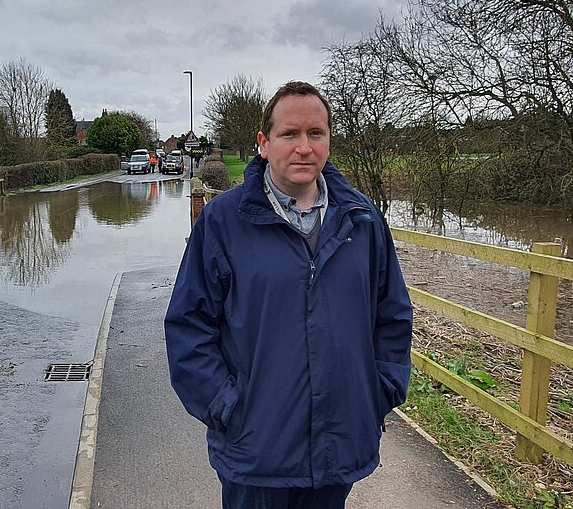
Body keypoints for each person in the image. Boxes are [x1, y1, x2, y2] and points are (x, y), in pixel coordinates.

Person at [165, 81, 413, 508]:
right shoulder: (224, 221)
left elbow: (391, 316)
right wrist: (227, 407)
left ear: (329, 141)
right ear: (264, 143)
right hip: (256, 451)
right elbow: (188, 326)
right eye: (289, 134)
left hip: (339, 445)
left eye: (315, 134)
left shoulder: (363, 220)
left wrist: (378, 392)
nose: (304, 147)